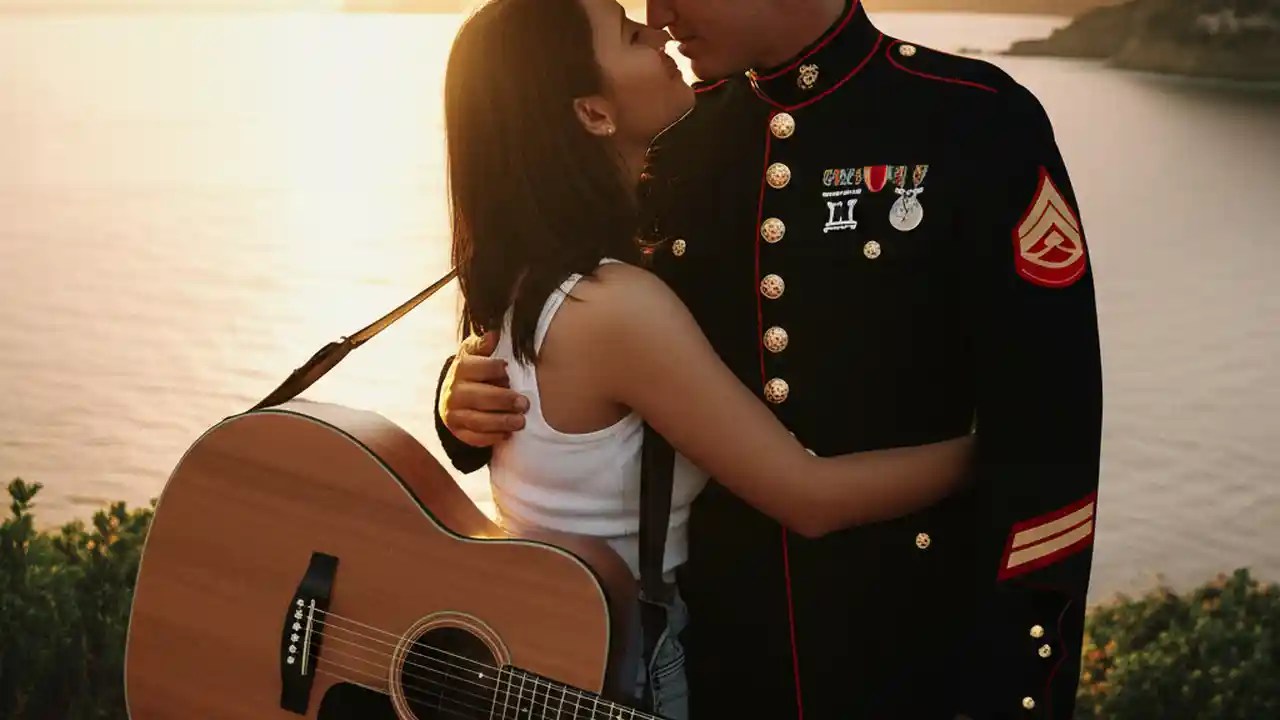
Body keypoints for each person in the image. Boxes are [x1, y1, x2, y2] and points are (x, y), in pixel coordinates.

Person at [437, 0, 1105, 718]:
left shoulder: (974, 123)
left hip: (908, 663)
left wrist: (1019, 691)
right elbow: (567, 323)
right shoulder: (670, 138)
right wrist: (461, 396)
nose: (657, 15)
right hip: (714, 667)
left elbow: (1050, 440)